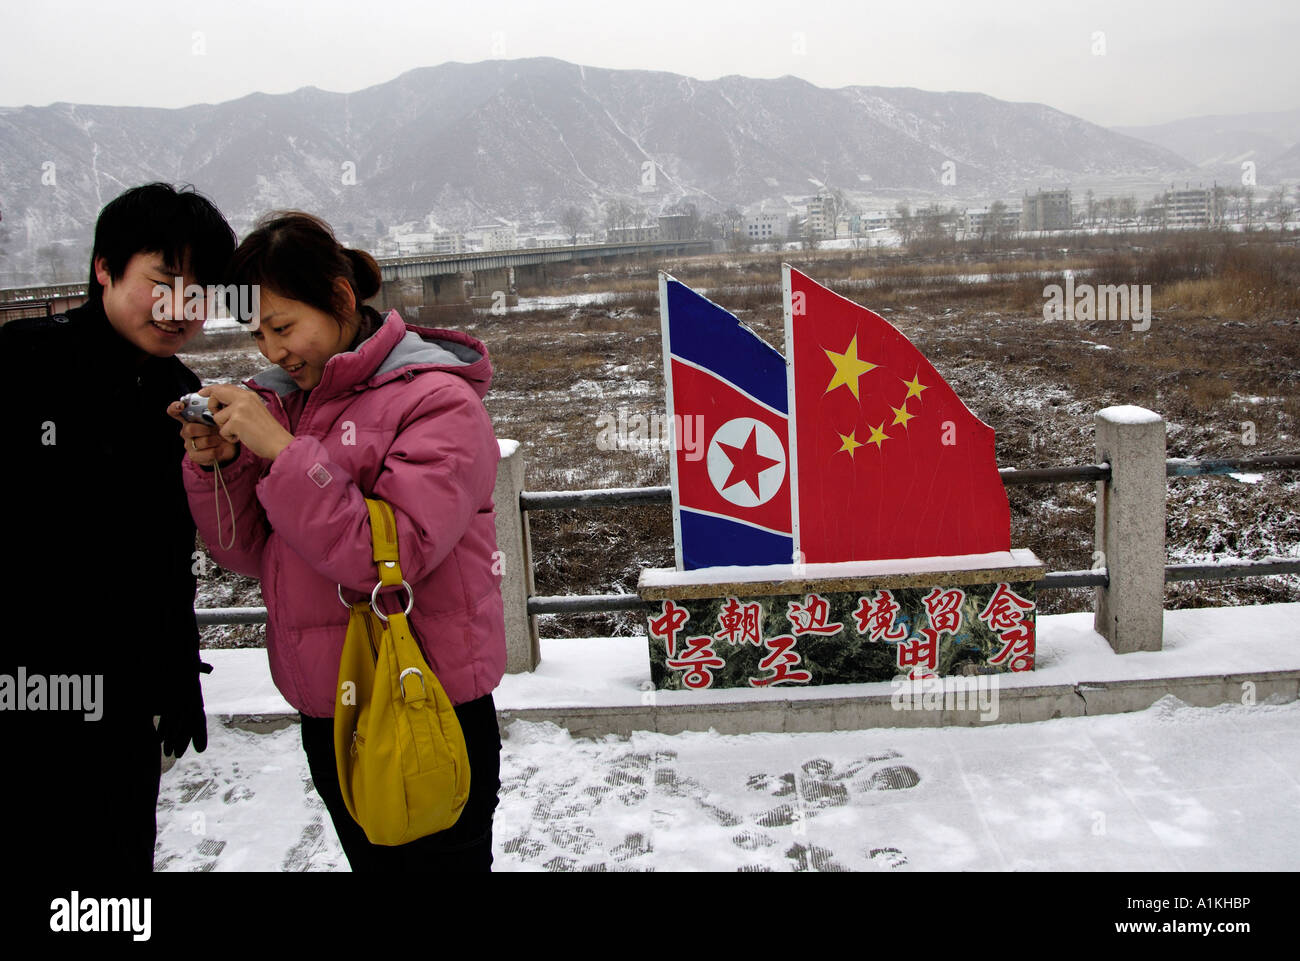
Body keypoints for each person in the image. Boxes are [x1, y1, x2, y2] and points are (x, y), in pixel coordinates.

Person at [172, 211, 506, 871]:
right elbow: (245, 554)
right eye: (258, 333)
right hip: (330, 710)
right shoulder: (283, 403)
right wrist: (219, 465)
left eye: (284, 326)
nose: (271, 351)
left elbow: (388, 562)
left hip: (424, 700)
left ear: (342, 298)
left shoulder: (437, 401)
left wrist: (284, 453)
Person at [0, 183, 235, 872]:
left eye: (199, 293)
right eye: (162, 284)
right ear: (104, 267)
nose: (179, 310)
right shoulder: (22, 363)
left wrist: (176, 672)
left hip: (124, 710)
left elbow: (165, 556)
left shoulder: (179, 393)